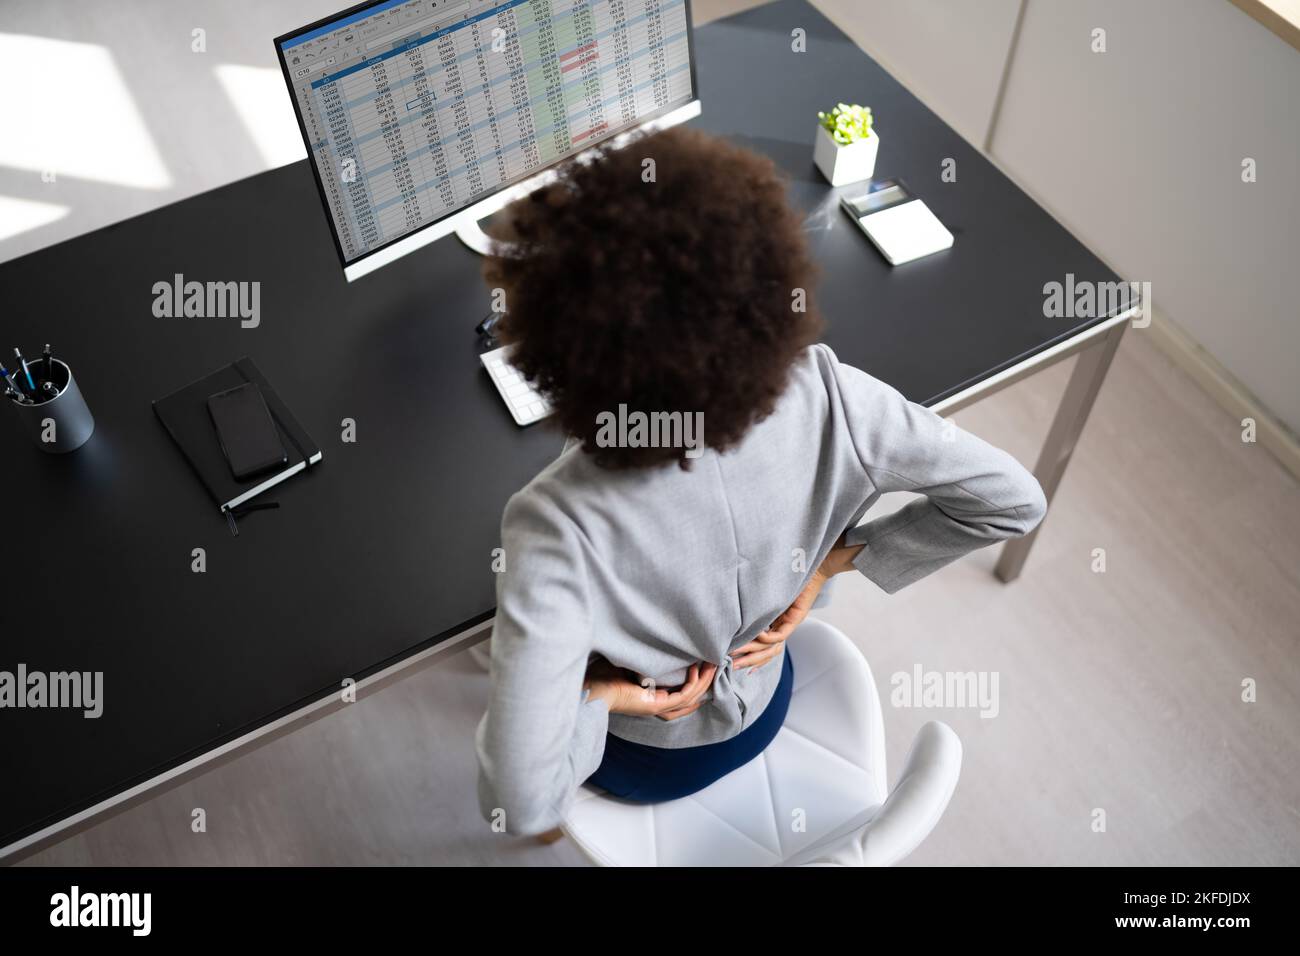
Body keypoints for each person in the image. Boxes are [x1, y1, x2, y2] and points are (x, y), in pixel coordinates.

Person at [475, 127, 1046, 836]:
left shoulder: (552, 524)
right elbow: (1017, 500)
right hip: (766, 699)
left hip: (653, 755)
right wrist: (831, 566)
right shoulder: (832, 392)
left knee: (501, 655)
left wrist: (605, 698)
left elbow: (519, 804)